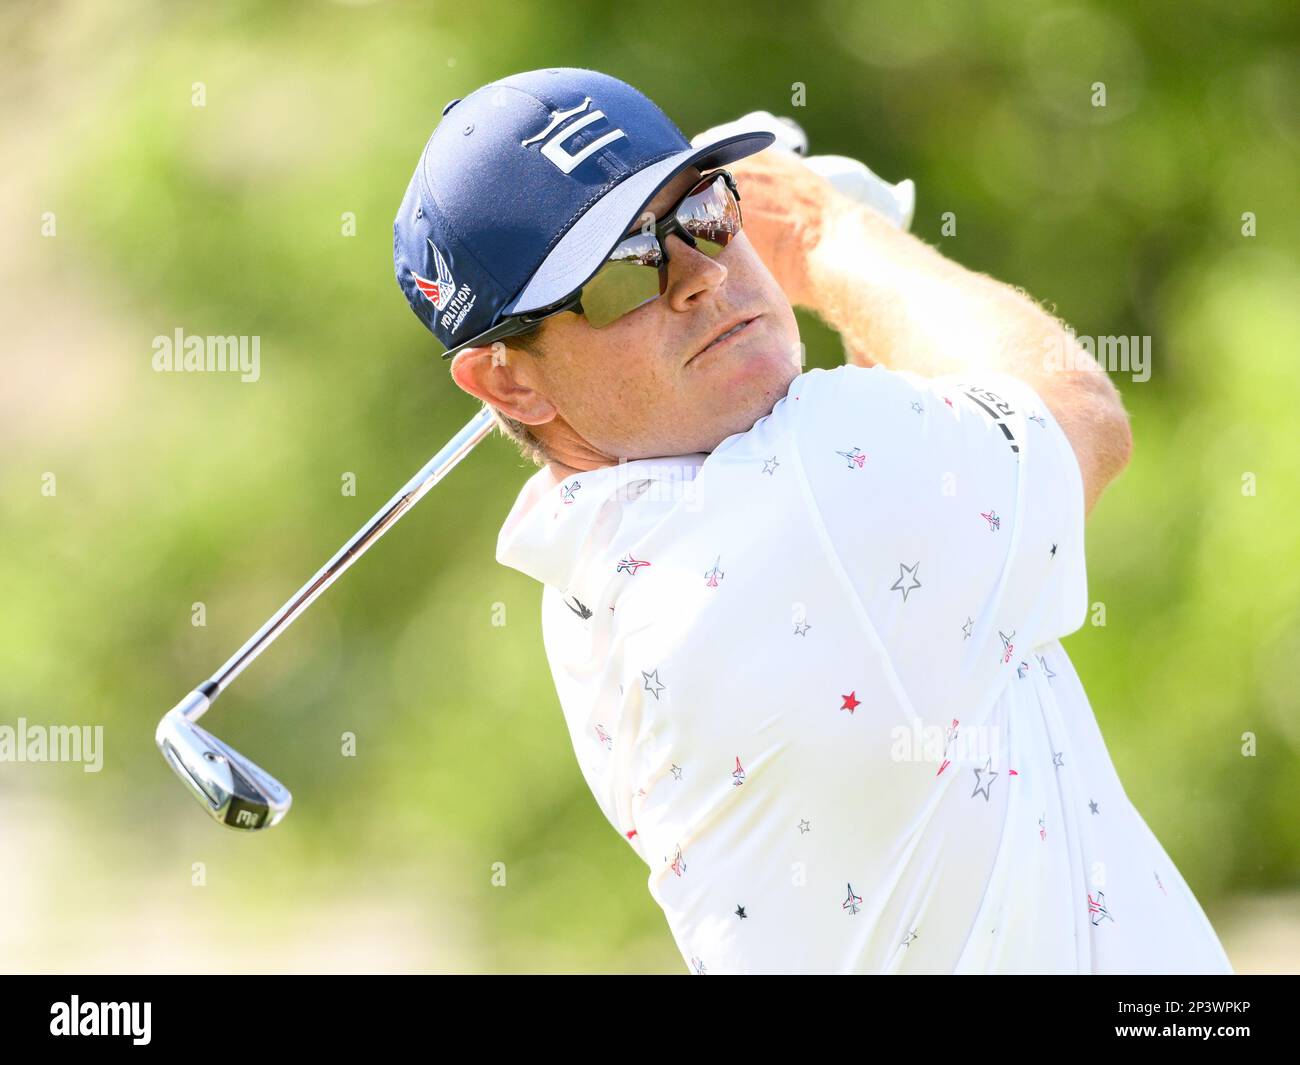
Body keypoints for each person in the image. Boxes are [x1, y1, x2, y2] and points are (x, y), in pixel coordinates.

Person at [393, 67, 1233, 974]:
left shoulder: (595, 575)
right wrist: (826, 233)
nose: (702, 277)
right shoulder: (804, 499)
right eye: (621, 272)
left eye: (703, 213)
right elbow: (1079, 416)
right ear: (507, 379)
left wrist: (837, 273)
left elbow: (906, 590)